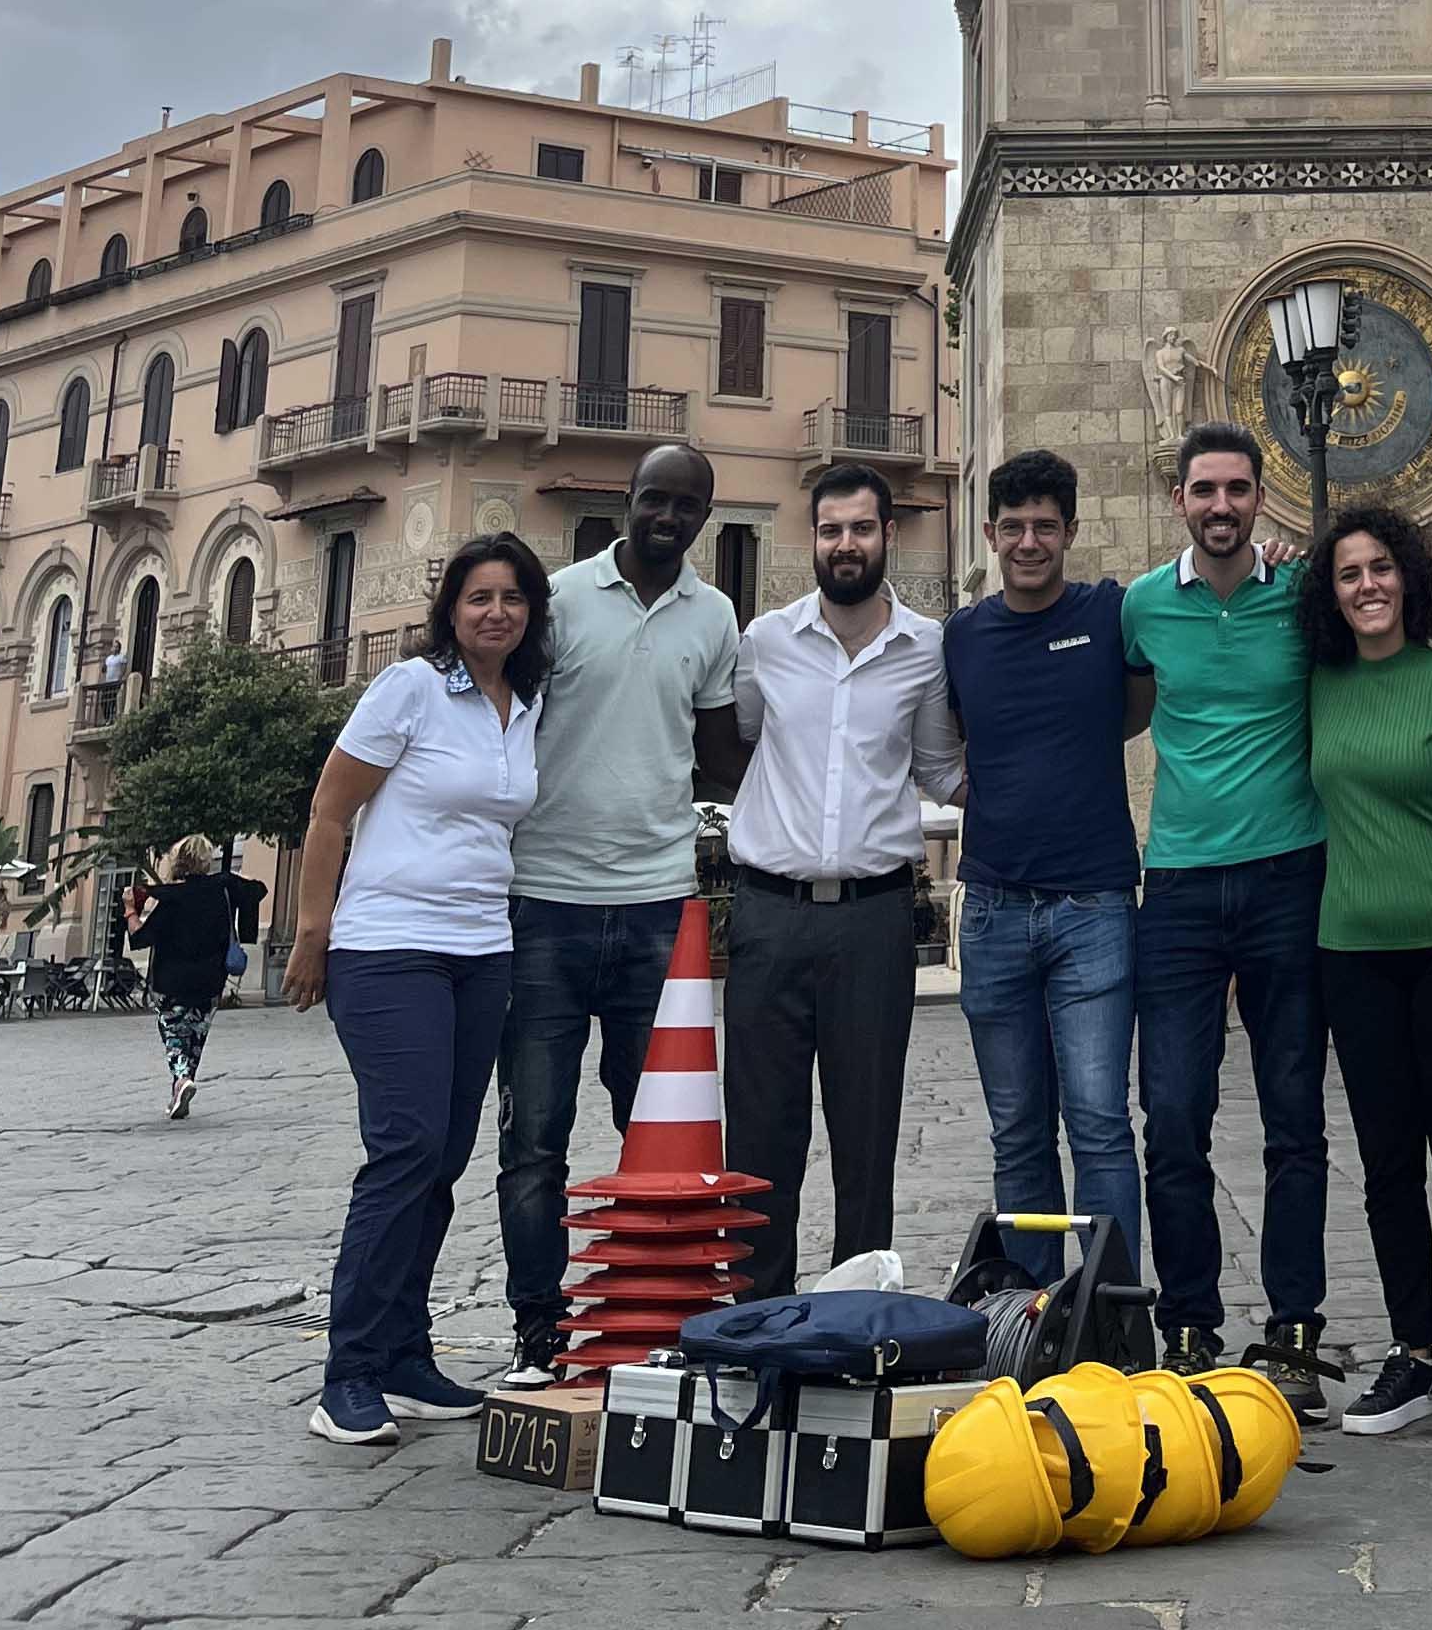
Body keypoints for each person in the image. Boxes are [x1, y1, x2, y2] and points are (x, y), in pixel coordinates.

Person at [286, 532, 552, 1447]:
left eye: (513, 598)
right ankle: (347, 1374)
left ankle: (404, 1354)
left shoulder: (525, 704)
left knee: (442, 1159)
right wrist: (312, 933)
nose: (496, 613)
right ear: (452, 607)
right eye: (480, 597)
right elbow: (329, 810)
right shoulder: (409, 687)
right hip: (388, 947)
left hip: (481, 951)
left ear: (531, 612)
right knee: (402, 1151)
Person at [493, 440, 744, 1382]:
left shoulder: (716, 617)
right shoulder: (555, 604)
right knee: (534, 1139)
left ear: (705, 520)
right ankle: (538, 1329)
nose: (667, 518)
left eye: (687, 506)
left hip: (658, 911)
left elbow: (721, 757)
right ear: (627, 501)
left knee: (662, 1141)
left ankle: (661, 1323)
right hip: (544, 906)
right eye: (654, 499)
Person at [1122, 420, 1330, 1411]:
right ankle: (1191, 1325)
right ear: (1179, 501)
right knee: (1172, 1117)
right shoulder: (1141, 608)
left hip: (1292, 877)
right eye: (1203, 491)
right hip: (1179, 889)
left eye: (1237, 491)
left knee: (1294, 1116)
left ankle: (1294, 1331)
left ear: (1260, 499)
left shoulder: (1298, 593)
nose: (1220, 507)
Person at [724, 457, 962, 1299]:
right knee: (759, 1135)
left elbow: (940, 768)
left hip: (873, 919)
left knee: (867, 1134)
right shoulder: (765, 643)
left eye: (862, 528)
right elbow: (735, 746)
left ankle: (860, 1315)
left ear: (887, 534)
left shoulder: (927, 649)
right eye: (831, 530)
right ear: (813, 538)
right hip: (767, 915)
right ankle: (756, 1314)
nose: (846, 544)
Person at [1305, 500, 1432, 1437]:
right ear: (1332, 592)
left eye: (1381, 569)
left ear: (1409, 579)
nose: (1367, 586)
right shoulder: (1316, 682)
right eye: (1349, 574)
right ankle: (1411, 1348)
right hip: (1351, 952)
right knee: (1387, 1159)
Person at [942, 447, 1146, 1269]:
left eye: (1046, 527)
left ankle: (1109, 1316)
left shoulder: (1110, 615)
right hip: (991, 908)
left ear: (1071, 530)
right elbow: (952, 740)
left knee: (1099, 1122)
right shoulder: (962, 637)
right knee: (1017, 1130)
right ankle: (1032, 1315)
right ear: (991, 533)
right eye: (1015, 527)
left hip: (1092, 906)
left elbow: (1133, 712)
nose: (1029, 542)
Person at [123, 833, 265, 1121]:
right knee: (196, 1035)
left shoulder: (172, 899)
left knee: (174, 1033)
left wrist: (130, 911)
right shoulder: (222, 888)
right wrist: (246, 928)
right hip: (211, 977)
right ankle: (181, 1087)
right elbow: (257, 890)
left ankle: (181, 1080)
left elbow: (141, 938)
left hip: (172, 979)